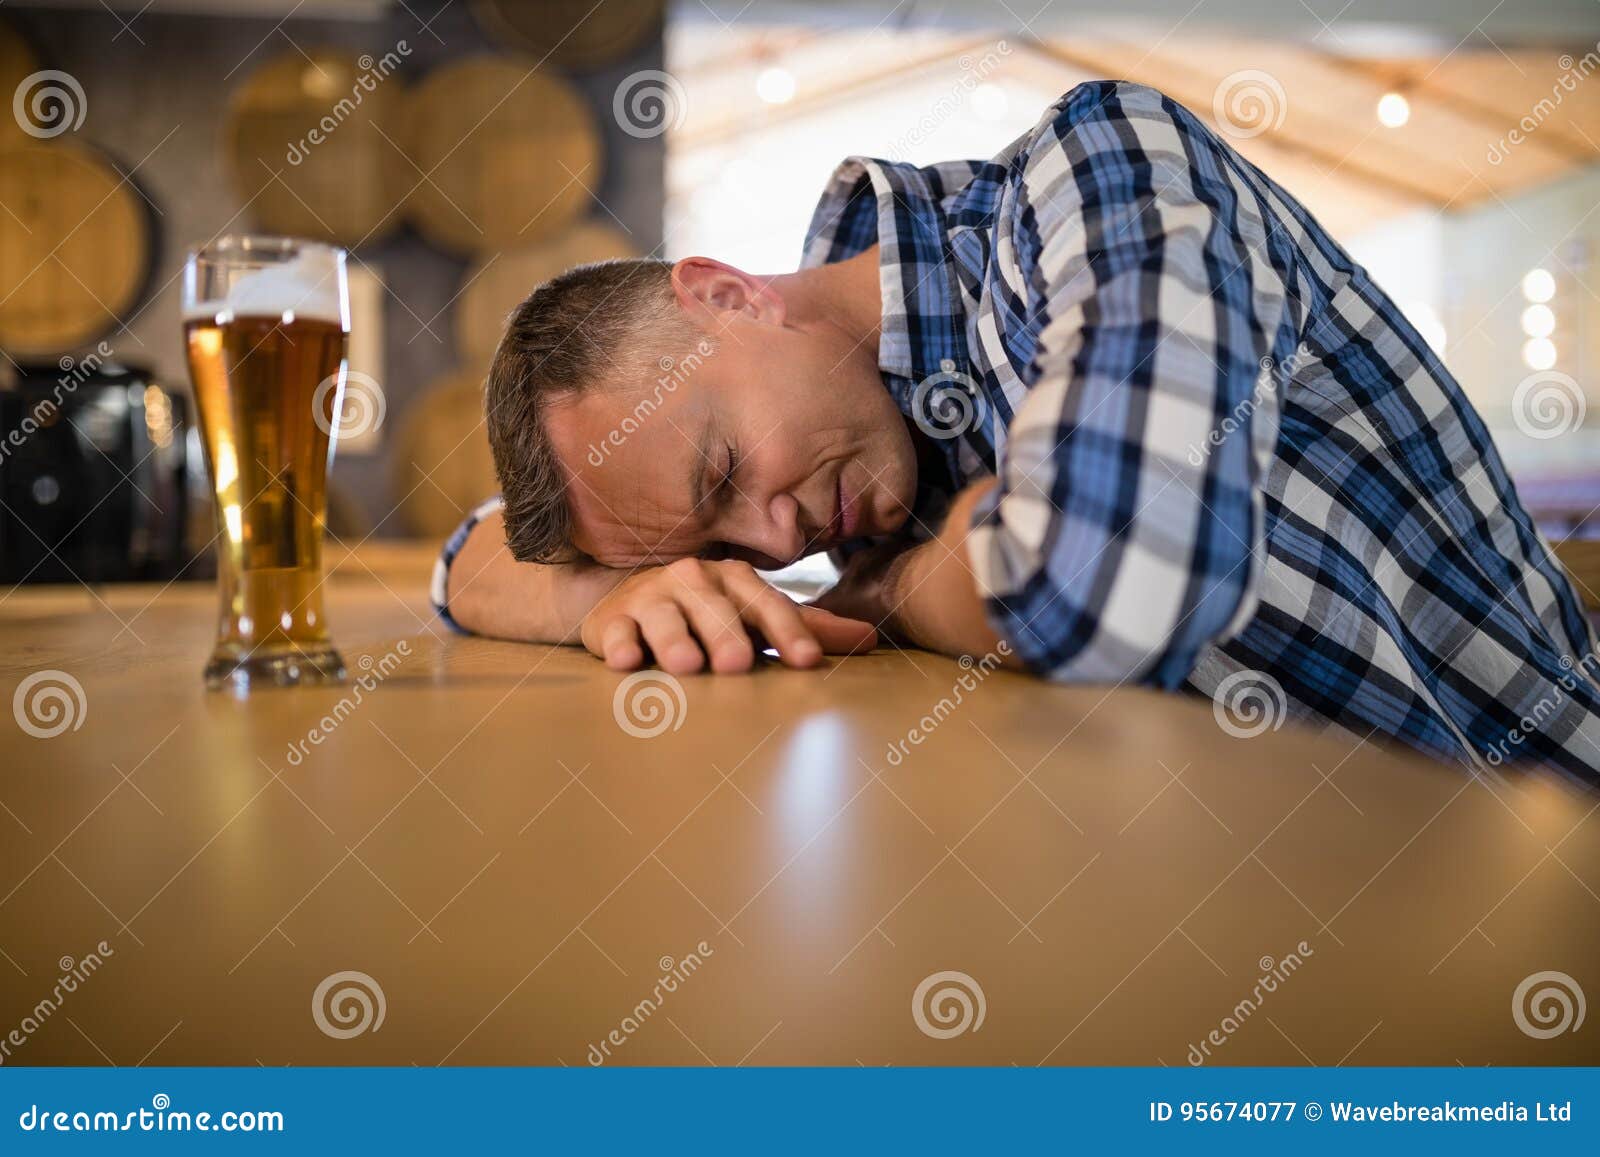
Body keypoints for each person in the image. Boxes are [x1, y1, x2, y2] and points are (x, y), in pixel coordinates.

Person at [432, 80, 1600, 780]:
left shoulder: (1103, 169)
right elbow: (465, 555)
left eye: (727, 469)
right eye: (722, 547)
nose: (774, 535)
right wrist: (603, 601)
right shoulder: (865, 441)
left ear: (727, 292)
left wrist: (882, 593)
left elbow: (1102, 587)